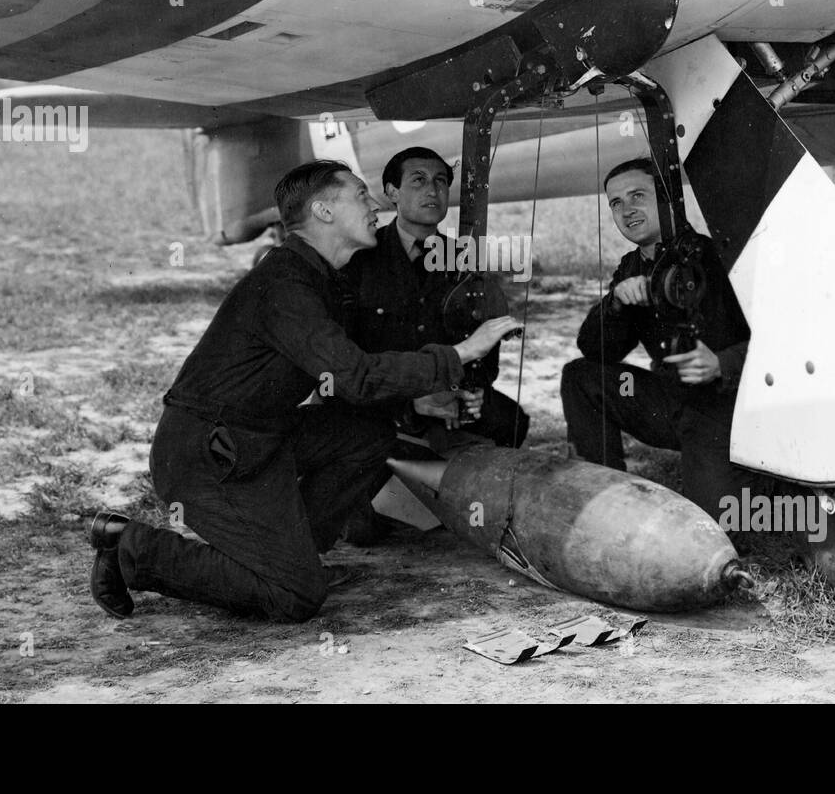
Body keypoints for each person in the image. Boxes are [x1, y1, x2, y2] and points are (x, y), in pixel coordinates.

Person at [87, 160, 520, 622]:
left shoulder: (321, 277)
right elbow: (355, 375)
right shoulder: (288, 284)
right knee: (295, 596)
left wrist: (423, 393)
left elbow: (352, 375)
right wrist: (459, 354)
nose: (375, 205)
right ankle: (130, 546)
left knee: (368, 435)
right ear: (324, 212)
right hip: (207, 455)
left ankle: (294, 551)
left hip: (259, 437)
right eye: (360, 195)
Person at [339, 146, 530, 542]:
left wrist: (469, 391)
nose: (433, 191)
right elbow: (347, 362)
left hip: (443, 400)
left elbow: (484, 351)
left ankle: (462, 497)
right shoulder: (359, 260)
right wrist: (408, 402)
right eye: (419, 180)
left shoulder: (466, 262)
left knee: (509, 419)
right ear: (391, 191)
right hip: (379, 404)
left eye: (441, 181)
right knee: (362, 532)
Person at [559, 158, 751, 518]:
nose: (626, 209)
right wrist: (616, 304)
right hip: (666, 402)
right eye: (616, 202)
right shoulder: (633, 266)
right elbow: (596, 350)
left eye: (637, 195)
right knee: (581, 377)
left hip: (725, 409)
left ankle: (763, 476)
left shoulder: (717, 256)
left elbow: (781, 341)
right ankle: (605, 497)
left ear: (667, 200)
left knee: (716, 525)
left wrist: (723, 364)